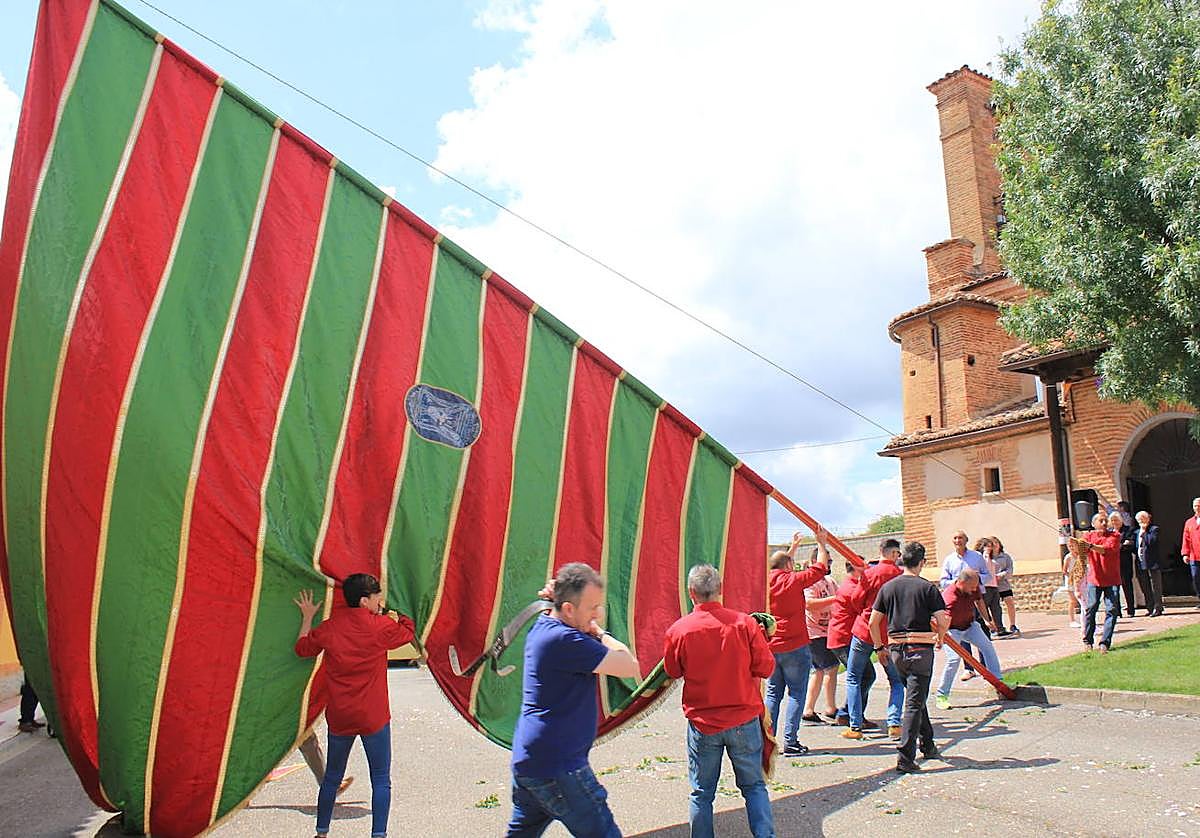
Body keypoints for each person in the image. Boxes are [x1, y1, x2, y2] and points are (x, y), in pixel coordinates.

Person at [507, 563, 638, 838]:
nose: (596, 614)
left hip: (530, 761)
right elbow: (629, 665)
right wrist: (599, 633)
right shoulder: (566, 639)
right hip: (560, 767)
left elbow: (559, 602)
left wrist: (570, 605)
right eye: (592, 608)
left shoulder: (546, 626)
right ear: (568, 609)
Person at [294, 575, 413, 838]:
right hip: (373, 716)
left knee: (332, 778)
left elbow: (302, 649)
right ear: (364, 601)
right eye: (376, 598)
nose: (379, 601)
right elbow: (408, 630)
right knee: (381, 779)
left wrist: (307, 616)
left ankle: (322, 832)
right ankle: (378, 835)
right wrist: (398, 606)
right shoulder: (380, 627)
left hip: (341, 716)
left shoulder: (330, 627)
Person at [663, 564, 776, 838]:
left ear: (691, 593)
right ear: (720, 590)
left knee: (701, 793)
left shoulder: (679, 630)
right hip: (743, 719)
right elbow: (766, 668)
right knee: (754, 787)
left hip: (703, 723)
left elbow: (672, 671)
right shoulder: (745, 624)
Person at [868, 542, 950, 774]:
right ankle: (905, 757)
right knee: (914, 702)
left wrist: (878, 647)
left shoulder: (888, 588)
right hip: (920, 650)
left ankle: (928, 744)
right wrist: (941, 635)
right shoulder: (927, 588)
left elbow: (873, 622)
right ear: (922, 562)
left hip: (896, 651)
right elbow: (943, 620)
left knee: (917, 696)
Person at [764, 531, 829, 757]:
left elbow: (780, 565)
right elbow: (819, 569)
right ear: (790, 564)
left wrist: (791, 548)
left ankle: (768, 740)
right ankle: (790, 741)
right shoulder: (792, 580)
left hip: (772, 646)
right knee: (796, 692)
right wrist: (821, 544)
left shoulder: (763, 582)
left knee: (773, 694)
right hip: (795, 645)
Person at [843, 538, 904, 741]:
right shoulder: (900, 575)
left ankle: (855, 726)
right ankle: (894, 723)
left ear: (881, 551)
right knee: (896, 680)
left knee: (853, 677)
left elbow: (856, 599)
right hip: (890, 633)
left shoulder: (870, 573)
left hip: (865, 630)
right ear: (895, 554)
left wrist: (864, 612)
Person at [933, 568, 1002, 709]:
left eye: (975, 587)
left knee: (987, 647)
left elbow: (979, 601)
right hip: (951, 630)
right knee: (954, 659)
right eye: (971, 587)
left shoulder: (972, 587)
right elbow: (944, 621)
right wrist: (940, 639)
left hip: (970, 626)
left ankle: (998, 682)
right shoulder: (949, 597)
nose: (974, 589)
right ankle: (942, 695)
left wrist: (987, 619)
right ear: (961, 582)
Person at [800, 550, 839, 724]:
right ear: (816, 560)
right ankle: (828, 708)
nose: (829, 564)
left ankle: (811, 709)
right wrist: (834, 599)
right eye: (827, 560)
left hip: (828, 631)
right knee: (829, 668)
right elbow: (809, 605)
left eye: (831, 561)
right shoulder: (810, 583)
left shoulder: (830, 581)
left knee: (822, 670)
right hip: (814, 632)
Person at [824, 562, 863, 727]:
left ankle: (851, 714)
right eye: (863, 566)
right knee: (859, 676)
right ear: (854, 568)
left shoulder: (853, 585)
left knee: (865, 675)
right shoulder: (852, 588)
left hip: (845, 638)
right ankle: (849, 715)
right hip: (842, 639)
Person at [1082, 513, 1122, 652]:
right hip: (1094, 579)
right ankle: (1087, 640)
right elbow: (1080, 551)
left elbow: (1105, 550)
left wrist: (1090, 546)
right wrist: (1075, 544)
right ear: (1094, 524)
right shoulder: (1088, 536)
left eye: (1106, 520)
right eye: (1101, 520)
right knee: (1091, 608)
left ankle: (1105, 643)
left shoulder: (1115, 536)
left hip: (1112, 580)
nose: (1104, 523)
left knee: (1111, 610)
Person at [1132, 511, 1163, 617]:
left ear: (1148, 519)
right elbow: (1135, 547)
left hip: (1152, 562)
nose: (1141, 522)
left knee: (1156, 586)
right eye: (1139, 520)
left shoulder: (1154, 530)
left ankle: (1158, 607)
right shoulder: (1136, 532)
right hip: (1140, 562)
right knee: (1145, 586)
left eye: (1142, 519)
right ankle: (1150, 607)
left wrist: (1144, 531)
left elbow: (1151, 541)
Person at [975, 537, 1006, 636]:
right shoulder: (981, 558)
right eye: (987, 546)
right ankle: (989, 629)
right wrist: (986, 554)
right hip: (985, 587)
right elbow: (985, 566)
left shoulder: (991, 558)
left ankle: (1000, 628)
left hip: (993, 586)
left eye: (990, 546)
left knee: (996, 608)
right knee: (985, 609)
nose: (989, 548)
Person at [990, 536, 1019, 635]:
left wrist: (1002, 575)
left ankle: (1013, 624)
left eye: (996, 543)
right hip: (992, 585)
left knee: (1009, 602)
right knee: (994, 606)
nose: (994, 545)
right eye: (992, 543)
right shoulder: (987, 557)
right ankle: (995, 627)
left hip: (1004, 584)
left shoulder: (1005, 557)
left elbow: (1010, 569)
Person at [1111, 510, 1137, 618]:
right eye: (1112, 520)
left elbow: (1130, 544)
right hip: (1113, 563)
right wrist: (1121, 545)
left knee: (1127, 585)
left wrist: (1119, 546)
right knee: (1114, 587)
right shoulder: (1110, 532)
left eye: (1116, 520)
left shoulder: (1128, 530)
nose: (1114, 522)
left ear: (1121, 520)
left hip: (1125, 562)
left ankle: (1131, 609)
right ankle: (1117, 611)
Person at [1182, 497, 1200, 609]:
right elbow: (1186, 538)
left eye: (1199, 505)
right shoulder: (1189, 522)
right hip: (1194, 556)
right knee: (1196, 577)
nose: (1197, 508)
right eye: (1195, 506)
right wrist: (1185, 553)